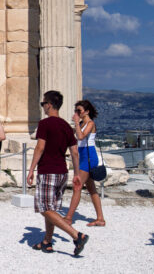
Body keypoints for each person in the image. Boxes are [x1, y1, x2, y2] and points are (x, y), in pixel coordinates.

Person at [26, 90, 89, 256]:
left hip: (48, 170)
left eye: (43, 104)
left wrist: (31, 169)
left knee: (43, 208)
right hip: (62, 172)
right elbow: (74, 152)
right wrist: (76, 174)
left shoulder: (45, 124)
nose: (43, 107)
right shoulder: (66, 126)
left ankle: (77, 235)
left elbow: (40, 147)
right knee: (51, 208)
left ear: (49, 105)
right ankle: (47, 242)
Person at [65, 99, 107, 227]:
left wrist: (77, 123)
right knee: (91, 189)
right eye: (76, 111)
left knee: (77, 186)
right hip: (83, 155)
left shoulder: (90, 123)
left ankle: (68, 217)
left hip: (89, 156)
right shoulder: (82, 122)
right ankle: (100, 218)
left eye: (79, 111)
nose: (77, 113)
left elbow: (81, 136)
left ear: (87, 111)